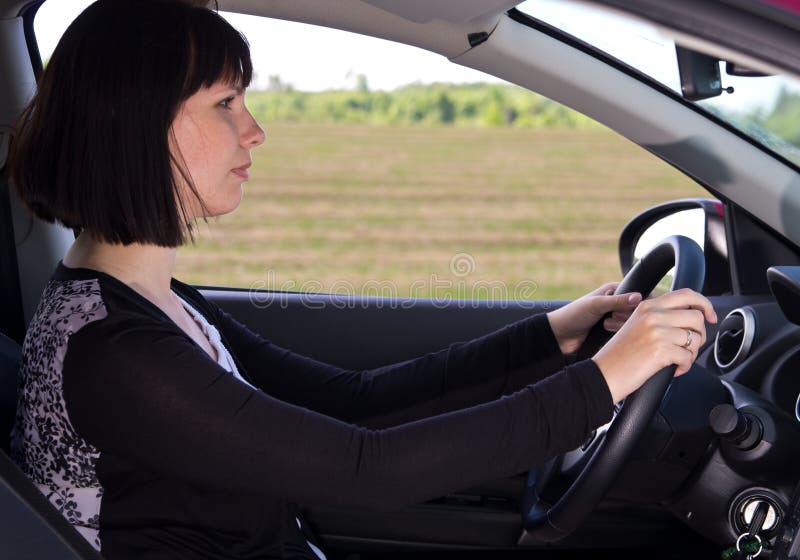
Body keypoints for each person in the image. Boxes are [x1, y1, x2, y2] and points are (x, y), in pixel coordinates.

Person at [7, 0, 716, 558]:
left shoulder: (147, 303)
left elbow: (354, 402)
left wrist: (551, 336)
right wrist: (603, 381)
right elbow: (372, 470)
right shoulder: (115, 357)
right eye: (226, 103)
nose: (255, 131)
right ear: (138, 127)